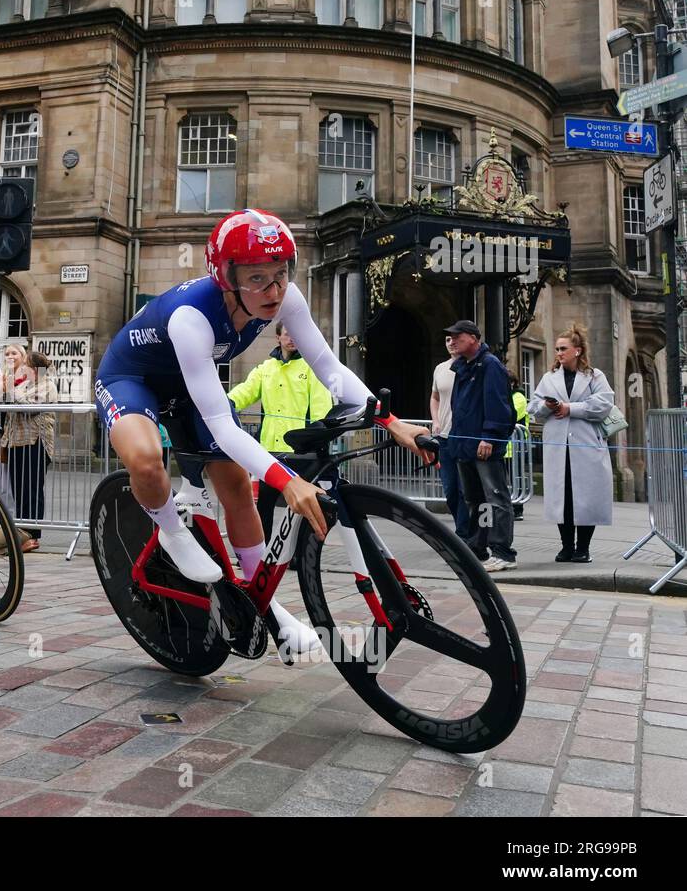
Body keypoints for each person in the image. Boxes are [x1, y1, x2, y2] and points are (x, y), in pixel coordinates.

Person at [94, 208, 431, 656]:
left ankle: (265, 608)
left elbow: (328, 368)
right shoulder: (190, 317)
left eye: (280, 274)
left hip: (190, 385)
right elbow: (221, 425)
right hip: (131, 380)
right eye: (256, 279)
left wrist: (391, 420)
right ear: (226, 278)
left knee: (234, 484)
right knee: (146, 459)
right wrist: (286, 480)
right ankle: (172, 533)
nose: (272, 290)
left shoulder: (286, 298)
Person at [228, 320, 333, 538]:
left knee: (301, 510)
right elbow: (244, 392)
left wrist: (319, 438)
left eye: (295, 333)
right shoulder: (266, 369)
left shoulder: (311, 368)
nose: (291, 338)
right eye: (287, 334)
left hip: (301, 452)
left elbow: (322, 410)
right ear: (278, 337)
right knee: (262, 507)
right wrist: (221, 404)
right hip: (270, 452)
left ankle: (298, 557)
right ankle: (261, 554)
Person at [527, 325, 614, 563]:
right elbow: (533, 408)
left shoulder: (595, 376)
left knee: (586, 497)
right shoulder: (548, 378)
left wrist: (570, 408)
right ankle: (566, 547)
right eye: (556, 349)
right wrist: (549, 406)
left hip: (586, 444)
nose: (558, 353)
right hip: (557, 445)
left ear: (577, 350)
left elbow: (604, 404)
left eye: (563, 348)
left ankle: (583, 548)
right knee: (561, 497)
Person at [445, 320, 517, 571]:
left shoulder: (490, 365)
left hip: (483, 445)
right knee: (476, 500)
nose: (452, 341)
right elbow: (459, 409)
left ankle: (503, 552)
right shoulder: (462, 367)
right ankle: (480, 547)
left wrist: (490, 436)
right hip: (464, 444)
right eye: (450, 337)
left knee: (495, 498)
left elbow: (498, 405)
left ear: (474, 338)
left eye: (457, 336)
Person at [0, 344, 58, 553]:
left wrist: (8, 389)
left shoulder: (47, 385)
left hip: (36, 443)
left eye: (26, 366)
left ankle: (33, 535)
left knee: (32, 490)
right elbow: (7, 406)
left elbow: (29, 408)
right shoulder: (23, 384)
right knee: (19, 491)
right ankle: (22, 533)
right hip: (15, 443)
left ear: (35, 369)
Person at [429, 334, 470, 541]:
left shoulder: (471, 367)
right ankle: (463, 529)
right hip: (443, 437)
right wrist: (435, 420)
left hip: (464, 437)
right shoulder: (440, 368)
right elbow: (435, 397)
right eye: (446, 340)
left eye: (455, 339)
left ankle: (465, 534)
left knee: (466, 490)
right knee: (451, 490)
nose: (451, 343)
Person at [506, 370, 529, 522]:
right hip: (505, 447)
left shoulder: (518, 397)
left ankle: (517, 509)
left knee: (516, 478)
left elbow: (510, 415)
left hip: (515, 446)